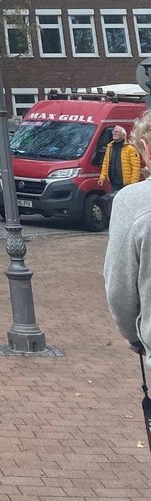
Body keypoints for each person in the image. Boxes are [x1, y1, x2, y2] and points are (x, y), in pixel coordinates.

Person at [104, 112, 151, 354]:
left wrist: (134, 336)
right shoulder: (112, 149)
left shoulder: (132, 203)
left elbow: (119, 287)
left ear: (146, 149)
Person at [101, 125, 141, 193]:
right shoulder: (109, 147)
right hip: (113, 183)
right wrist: (102, 177)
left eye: (117, 132)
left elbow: (136, 167)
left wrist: (133, 183)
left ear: (123, 135)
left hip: (126, 184)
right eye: (113, 131)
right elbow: (105, 163)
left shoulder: (130, 149)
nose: (114, 133)